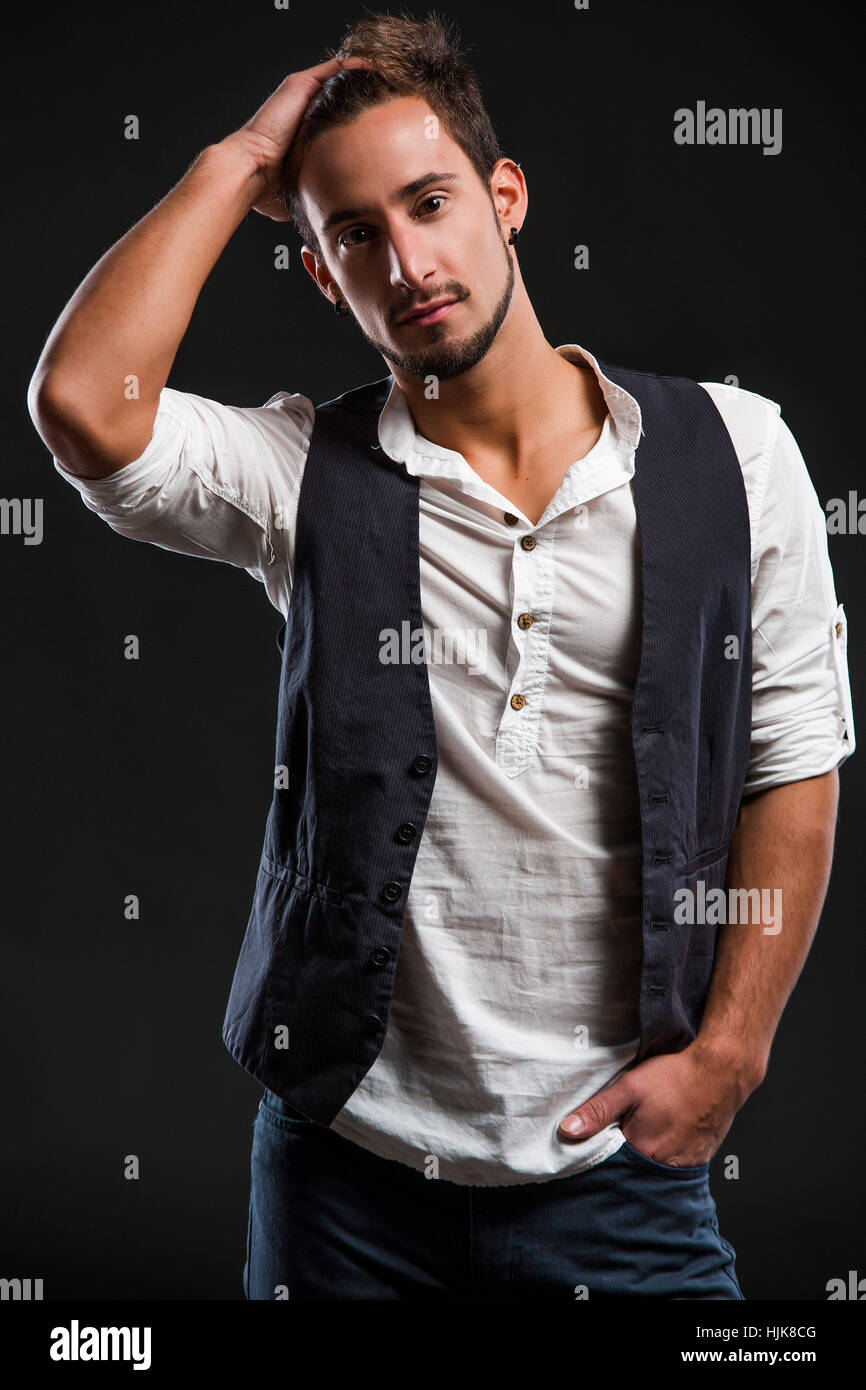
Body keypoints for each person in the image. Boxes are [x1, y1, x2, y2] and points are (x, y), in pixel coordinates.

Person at [27, 11, 854, 1300]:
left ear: (505, 198)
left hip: (618, 1171)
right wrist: (239, 161)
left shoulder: (736, 453)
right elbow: (86, 405)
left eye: (430, 202)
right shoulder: (303, 472)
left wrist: (731, 1057)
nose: (409, 262)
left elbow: (793, 756)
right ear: (322, 275)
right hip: (344, 1175)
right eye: (356, 235)